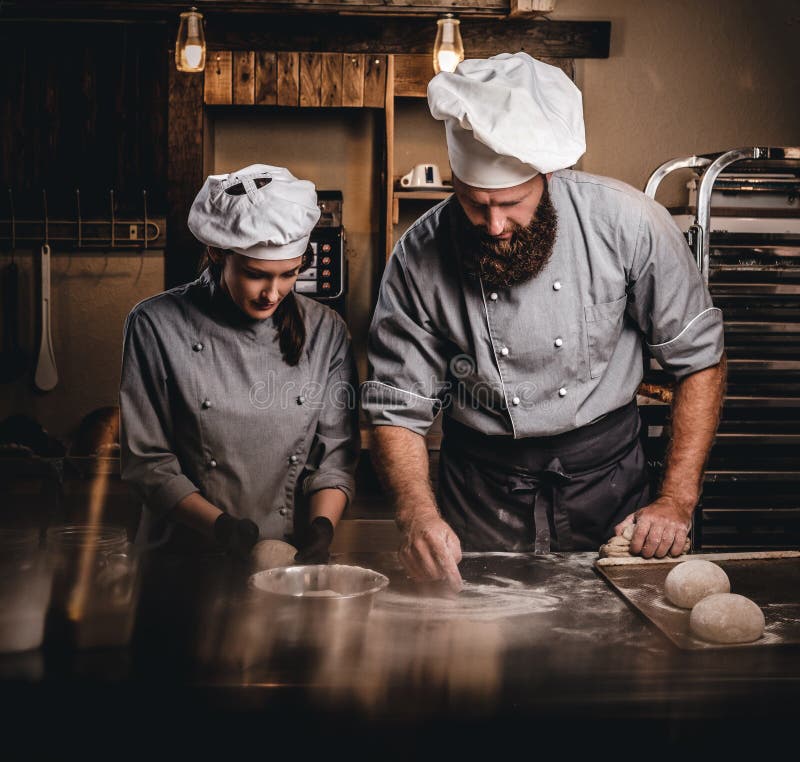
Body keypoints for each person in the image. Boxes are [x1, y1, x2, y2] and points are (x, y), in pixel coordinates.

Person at [362, 53, 726, 590]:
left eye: (511, 203)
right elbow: (397, 405)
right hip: (479, 489)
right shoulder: (418, 254)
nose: (493, 224)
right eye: (473, 204)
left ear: (547, 175)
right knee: (477, 648)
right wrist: (416, 514)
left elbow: (700, 361)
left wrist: (675, 498)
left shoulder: (626, 223)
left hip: (606, 481)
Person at [120, 164, 358, 563]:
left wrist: (322, 527)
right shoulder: (155, 324)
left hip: (288, 557)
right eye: (256, 275)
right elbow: (148, 462)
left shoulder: (327, 330)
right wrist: (221, 527)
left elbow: (335, 454)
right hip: (184, 555)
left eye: (289, 275)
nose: (273, 293)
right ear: (217, 253)